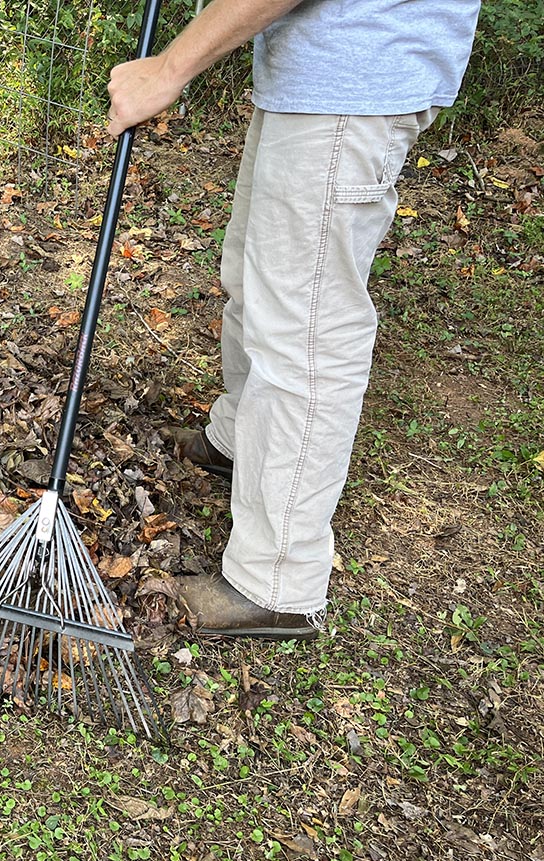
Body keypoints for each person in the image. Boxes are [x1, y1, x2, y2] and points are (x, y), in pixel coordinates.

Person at [106, 0, 481, 639]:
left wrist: (169, 68)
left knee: (304, 329)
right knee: (255, 280)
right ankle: (237, 440)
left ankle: (277, 580)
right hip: (317, 77)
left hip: (352, 83)